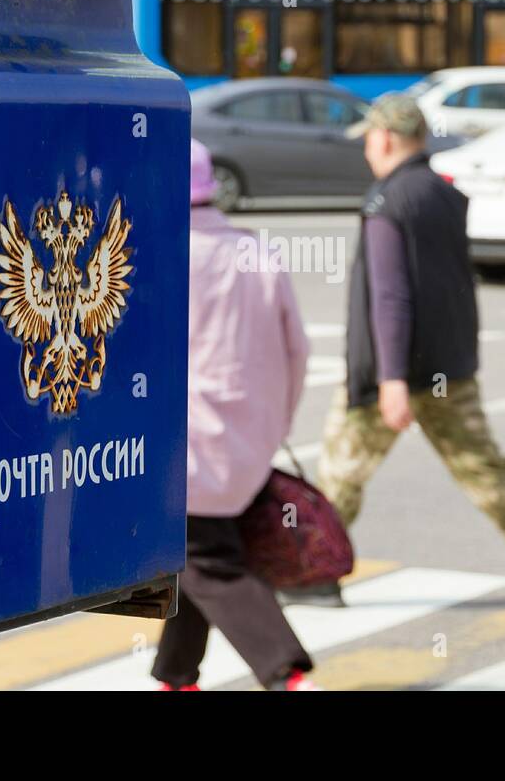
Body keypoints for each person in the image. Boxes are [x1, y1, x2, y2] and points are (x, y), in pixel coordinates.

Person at [307, 95, 505, 603]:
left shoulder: (386, 201)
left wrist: (389, 379)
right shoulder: (443, 193)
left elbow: (390, 295)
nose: (367, 147)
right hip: (448, 367)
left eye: (369, 137)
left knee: (341, 472)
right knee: (487, 472)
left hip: (390, 372)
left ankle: (316, 575)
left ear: (385, 138)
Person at [151, 140, 319, 692]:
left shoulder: (160, 252)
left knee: (205, 560)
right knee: (195, 550)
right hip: (247, 437)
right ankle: (177, 678)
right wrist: (277, 423)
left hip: (186, 441)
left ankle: (286, 671)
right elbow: (297, 348)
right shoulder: (255, 252)